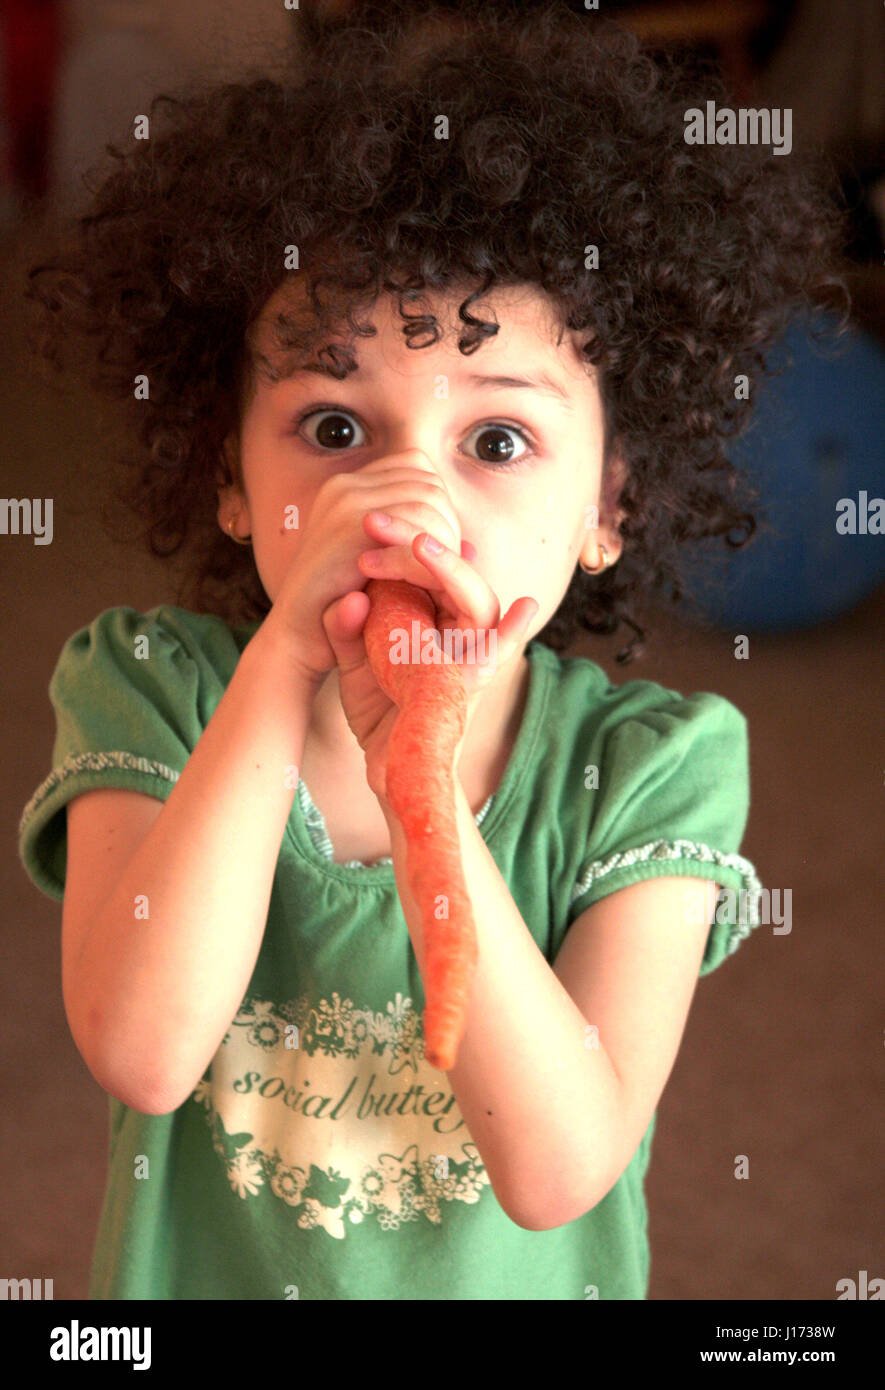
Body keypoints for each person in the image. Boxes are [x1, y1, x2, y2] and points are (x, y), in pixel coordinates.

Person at [18, 0, 849, 1299]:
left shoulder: (655, 770)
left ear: (608, 507)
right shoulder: (150, 688)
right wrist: (280, 670)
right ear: (227, 478)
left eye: (498, 442)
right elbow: (142, 1048)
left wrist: (424, 785)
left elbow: (560, 1165)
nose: (404, 501)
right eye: (334, 428)